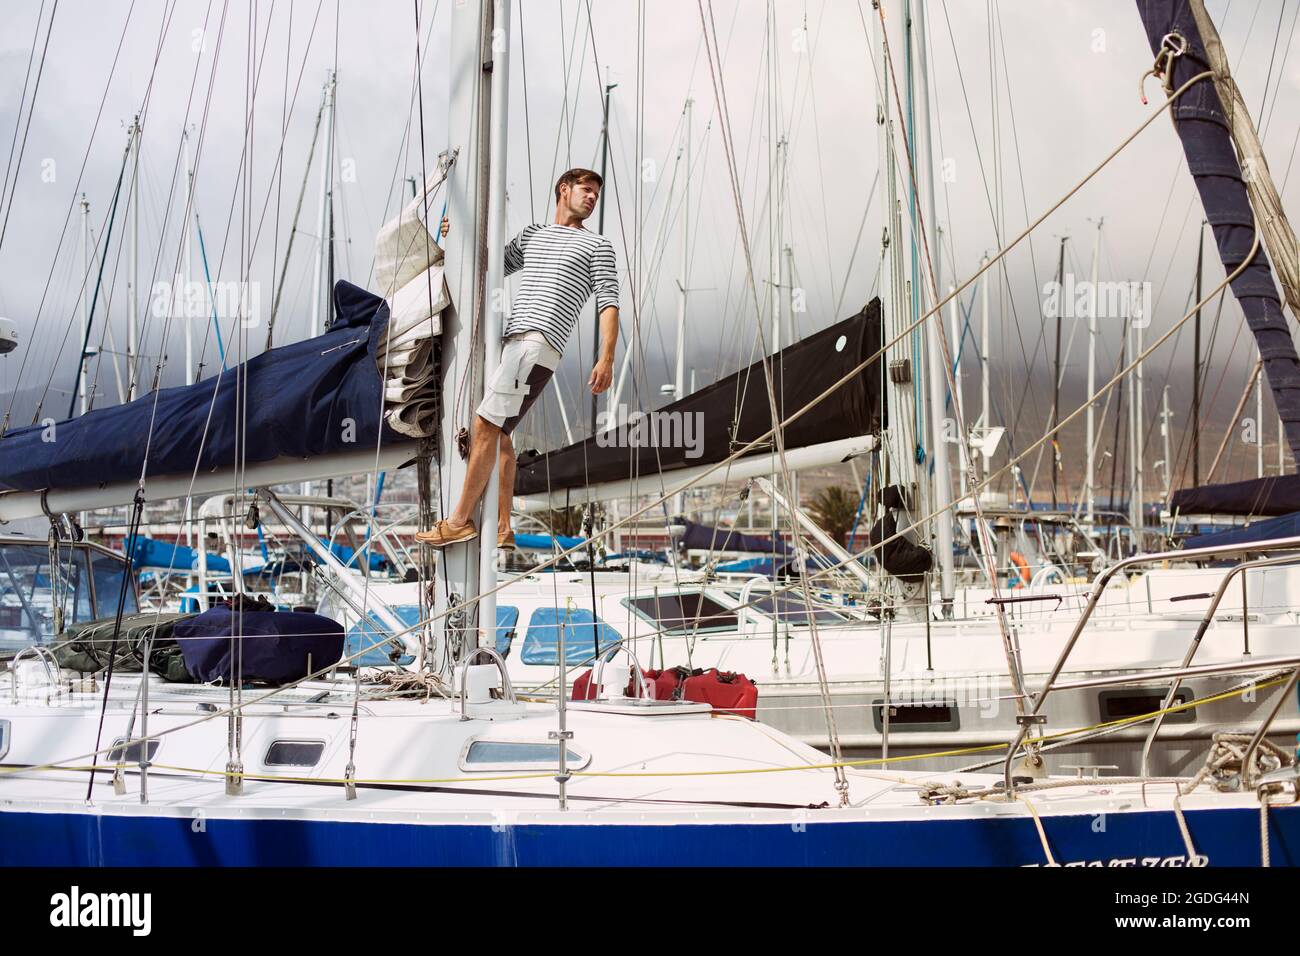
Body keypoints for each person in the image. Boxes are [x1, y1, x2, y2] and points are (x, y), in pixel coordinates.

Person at [415, 168, 620, 550]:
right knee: (502, 436)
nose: (592, 199)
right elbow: (487, 265)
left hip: (536, 341)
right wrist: (451, 237)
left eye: (596, 194)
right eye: (586, 191)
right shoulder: (533, 235)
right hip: (517, 341)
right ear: (564, 189)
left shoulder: (597, 247)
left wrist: (606, 357)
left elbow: (609, 302)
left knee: (484, 426)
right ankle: (503, 527)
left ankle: (459, 521)